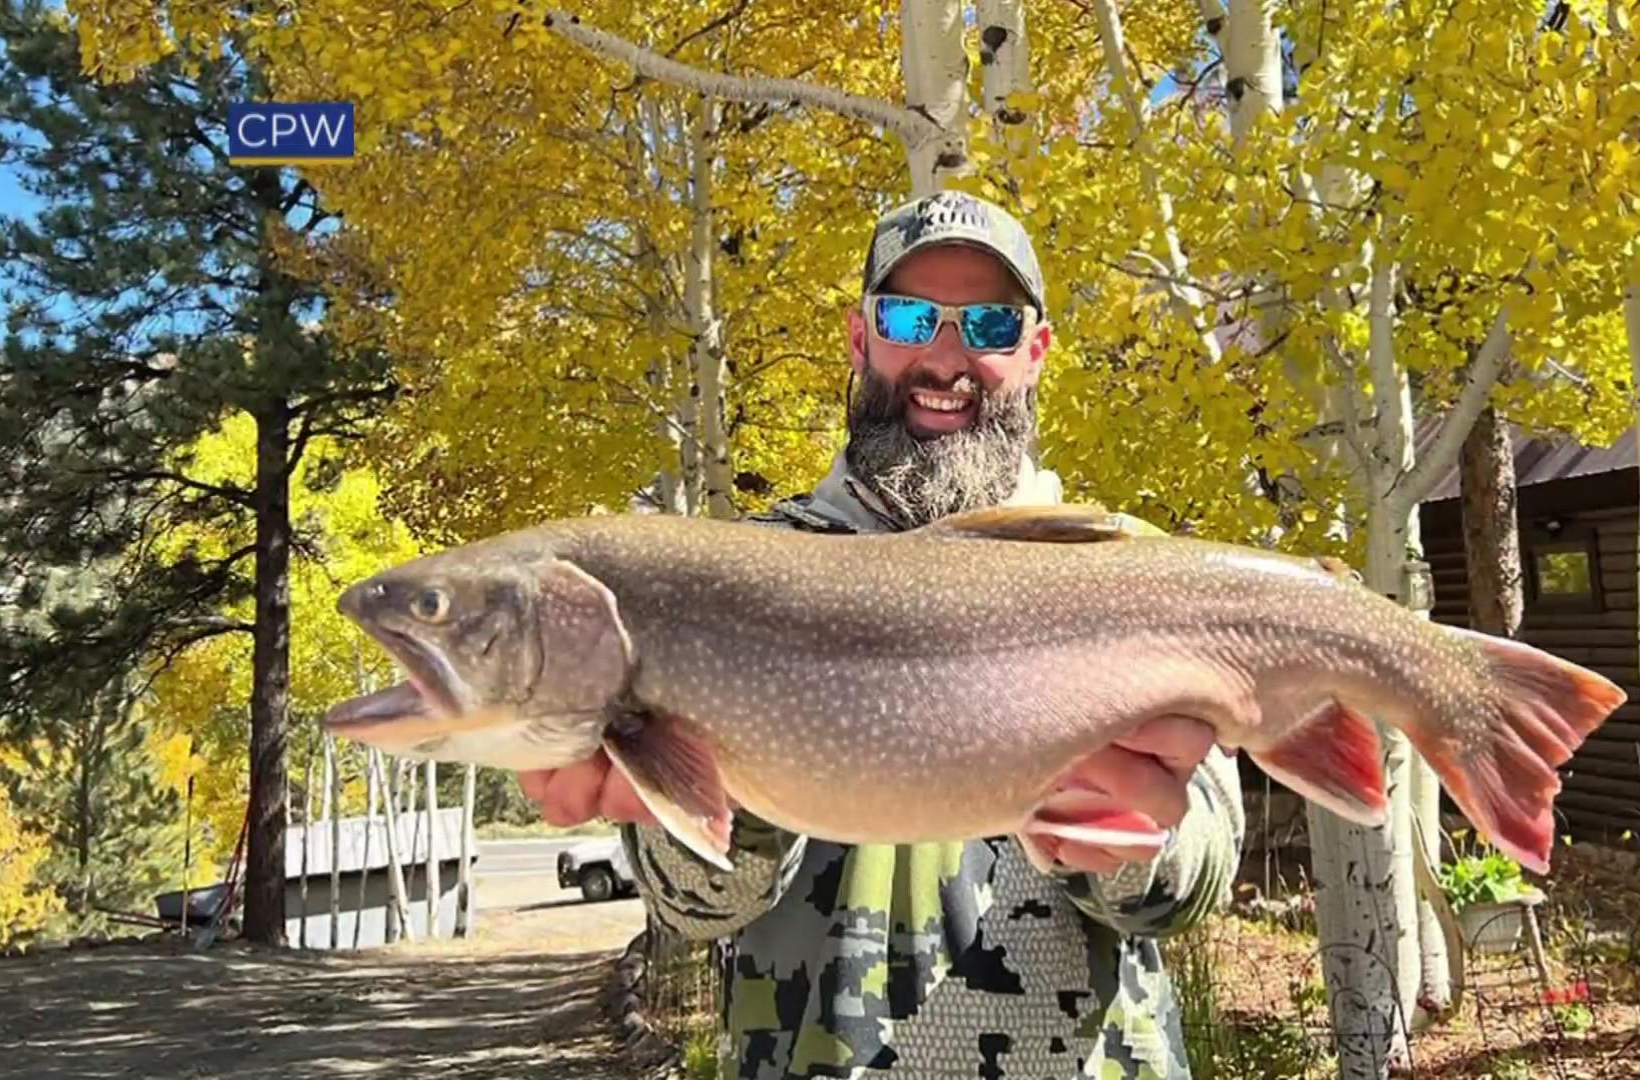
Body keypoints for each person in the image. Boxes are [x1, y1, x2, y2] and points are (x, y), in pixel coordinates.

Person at [518, 190, 1245, 1079]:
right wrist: (717, 785)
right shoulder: (729, 578)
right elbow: (690, 907)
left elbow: (1197, 879)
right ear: (862, 339)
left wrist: (1136, 845)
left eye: (988, 322)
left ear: (1037, 351)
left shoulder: (1130, 572)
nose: (945, 357)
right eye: (909, 316)